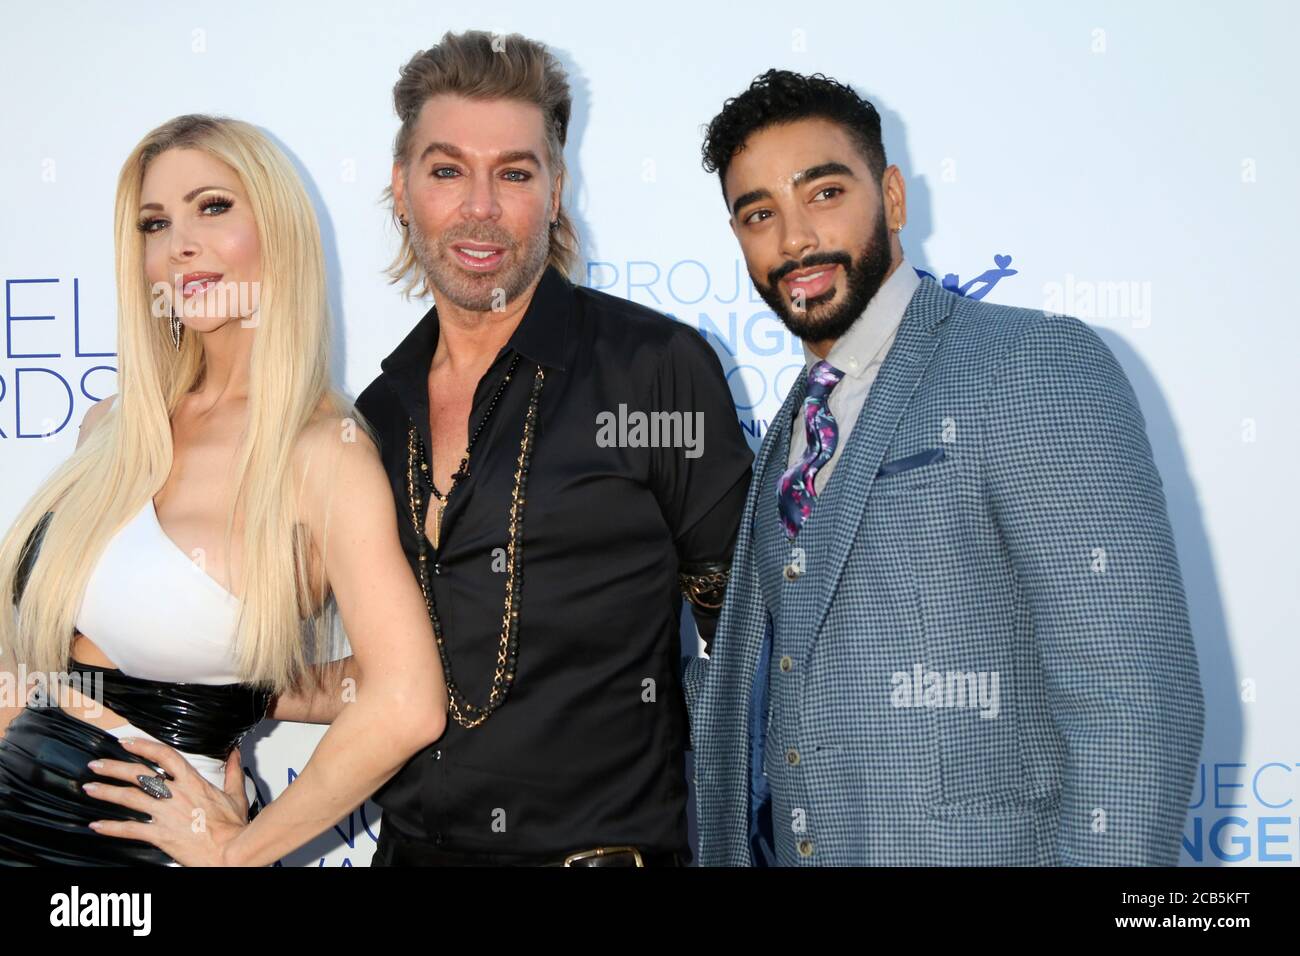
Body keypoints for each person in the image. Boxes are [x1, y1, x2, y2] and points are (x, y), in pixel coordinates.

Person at [685, 69, 1205, 865]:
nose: (793, 239)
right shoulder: (792, 422)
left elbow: (1135, 704)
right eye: (760, 214)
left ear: (893, 196)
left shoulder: (1031, 362)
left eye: (823, 193)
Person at [0, 114, 448, 866]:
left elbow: (404, 700)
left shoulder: (322, 456)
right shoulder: (111, 428)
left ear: (275, 228)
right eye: (154, 222)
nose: (180, 242)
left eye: (212, 207)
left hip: (142, 856)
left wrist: (238, 854)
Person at [352, 30, 753, 866]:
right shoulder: (376, 415)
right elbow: (380, 677)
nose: (480, 207)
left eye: (515, 172)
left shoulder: (655, 372)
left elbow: (753, 644)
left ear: (557, 189)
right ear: (401, 188)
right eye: (446, 169)